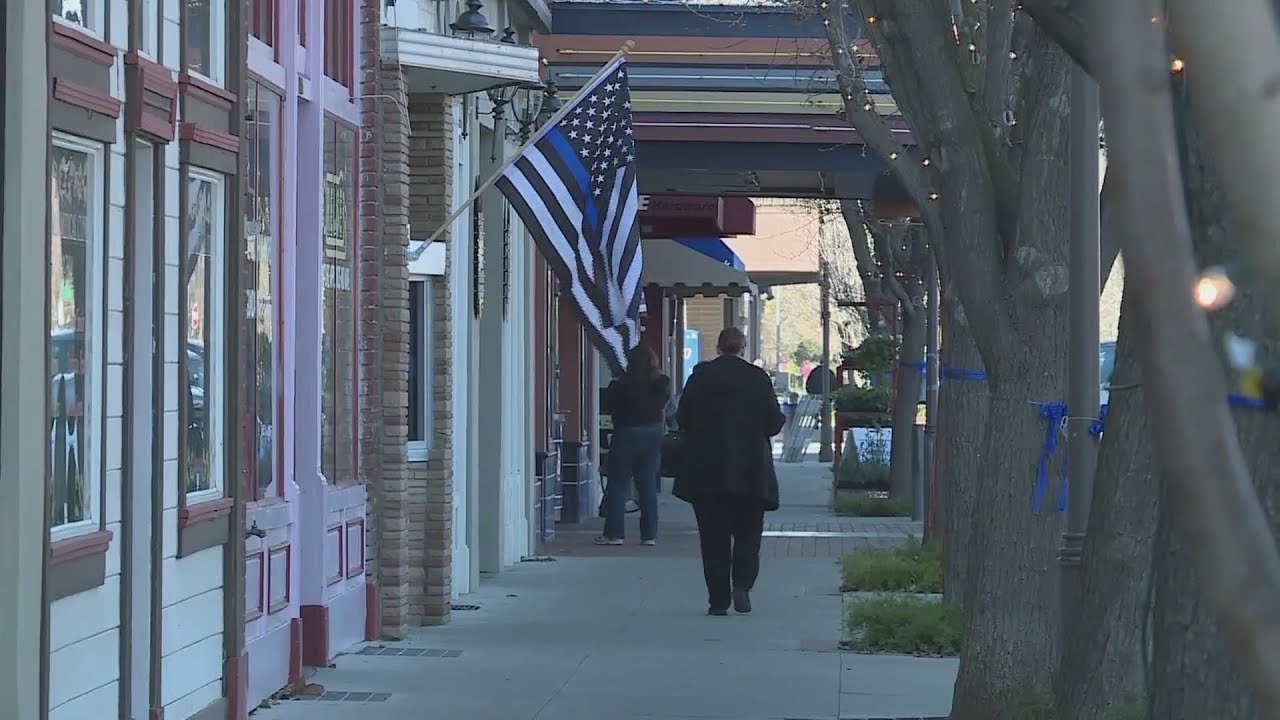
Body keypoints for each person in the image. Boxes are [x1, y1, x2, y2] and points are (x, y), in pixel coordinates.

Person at [675, 327, 787, 615]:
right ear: (743, 347)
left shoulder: (700, 377)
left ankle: (718, 600)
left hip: (707, 471)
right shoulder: (757, 379)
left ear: (718, 347)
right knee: (749, 533)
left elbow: (682, 417)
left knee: (713, 537)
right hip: (750, 470)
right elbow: (774, 423)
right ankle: (742, 585)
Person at [597, 344, 671, 546]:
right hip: (653, 432)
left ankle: (614, 533)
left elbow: (610, 405)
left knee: (618, 484)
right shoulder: (660, 383)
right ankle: (649, 535)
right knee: (646, 485)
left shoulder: (624, 383)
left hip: (627, 432)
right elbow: (664, 402)